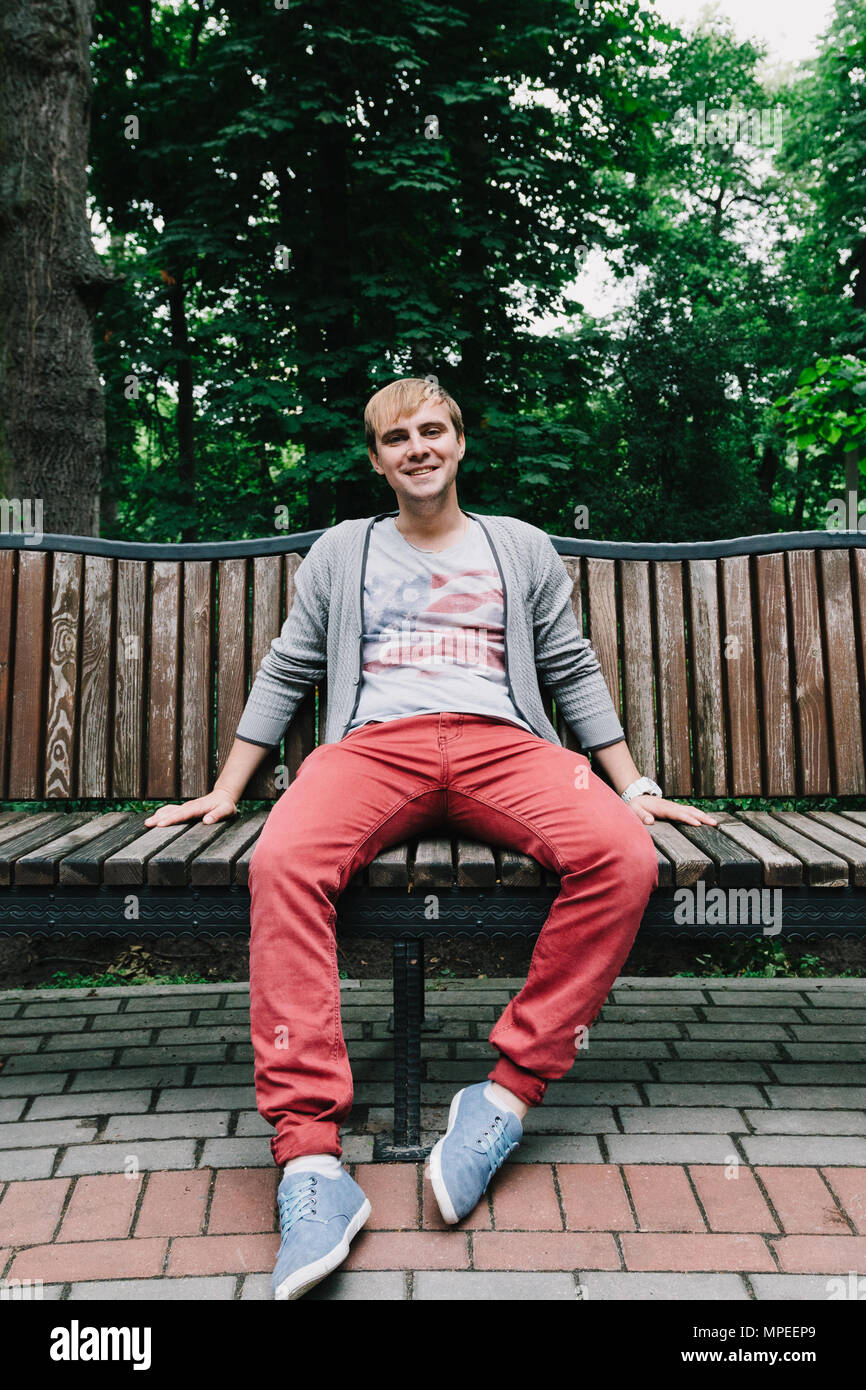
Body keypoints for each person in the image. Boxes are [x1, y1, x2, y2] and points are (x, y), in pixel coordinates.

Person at [144, 377, 717, 1300]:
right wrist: (224, 790)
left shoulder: (519, 546)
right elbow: (290, 665)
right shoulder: (343, 550)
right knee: (284, 860)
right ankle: (312, 1166)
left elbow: (568, 665)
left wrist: (631, 784)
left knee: (623, 855)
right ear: (376, 459)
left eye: (434, 430)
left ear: (459, 443)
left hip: (503, 748)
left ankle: (503, 1098)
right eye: (397, 437)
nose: (418, 447)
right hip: (373, 751)